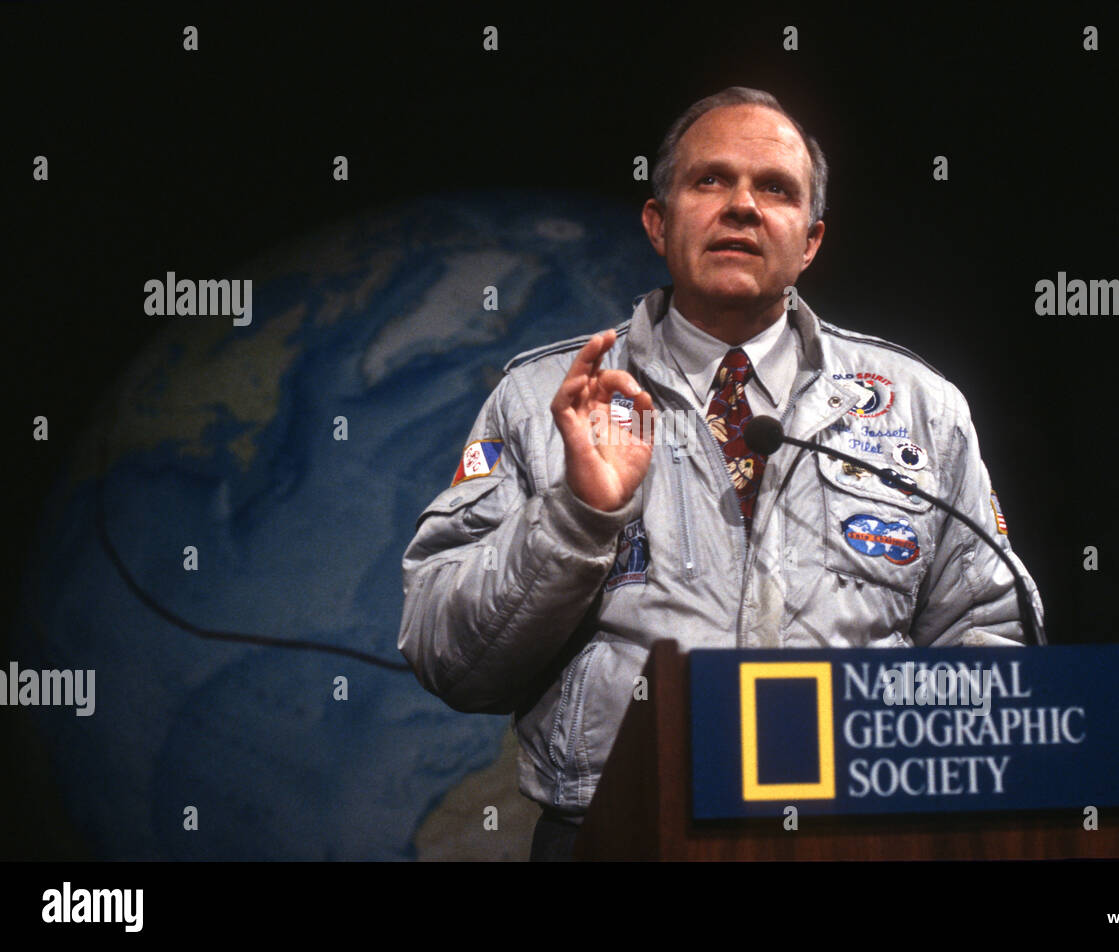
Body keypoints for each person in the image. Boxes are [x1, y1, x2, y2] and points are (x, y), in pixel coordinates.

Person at [398, 87, 1045, 861]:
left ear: (810, 240)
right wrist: (576, 517)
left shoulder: (918, 406)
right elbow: (449, 657)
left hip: (866, 836)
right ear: (657, 222)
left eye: (775, 189)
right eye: (710, 180)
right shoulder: (541, 401)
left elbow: (988, 638)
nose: (742, 206)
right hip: (615, 836)